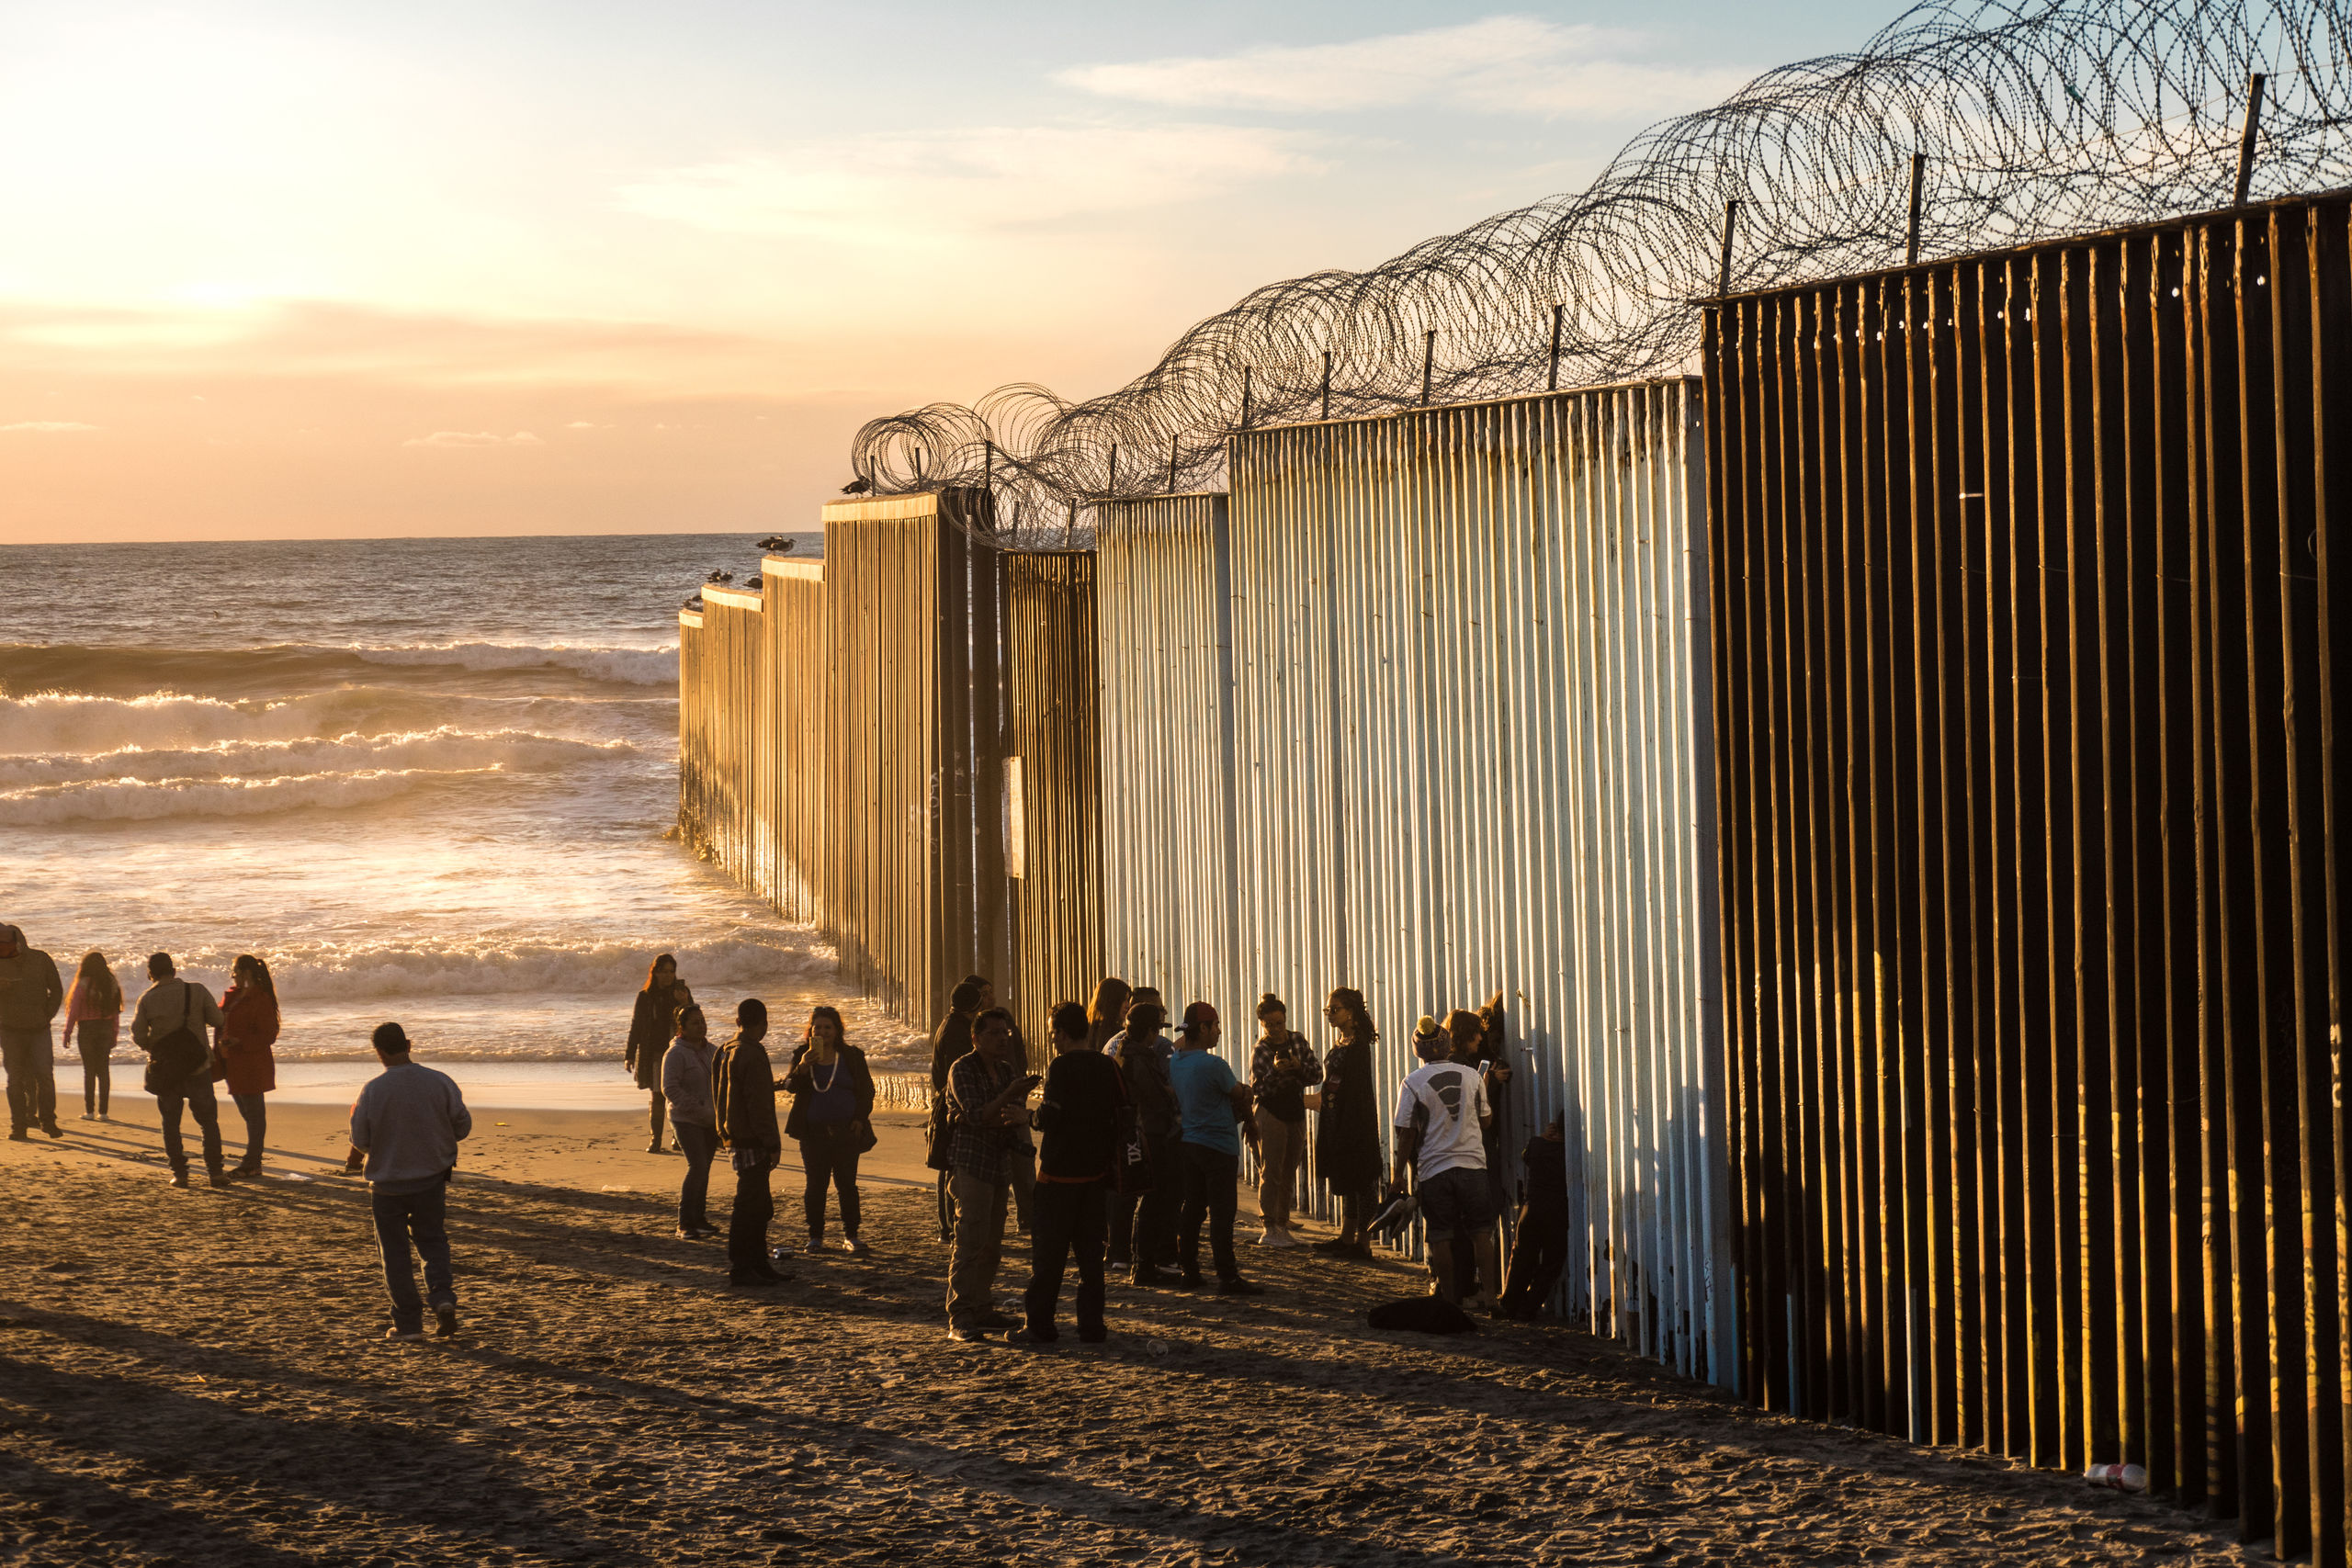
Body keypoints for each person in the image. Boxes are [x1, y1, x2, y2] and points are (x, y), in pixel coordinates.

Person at [344, 1022, 472, 1340]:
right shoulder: (439, 1081)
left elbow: (360, 1138)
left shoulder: (373, 1089)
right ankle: (442, 1298)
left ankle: (408, 1324)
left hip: (388, 1184)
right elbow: (462, 1126)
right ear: (409, 1045)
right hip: (431, 1177)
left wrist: (384, 1146)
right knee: (433, 1242)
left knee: (395, 1253)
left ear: (379, 1052)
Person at [1017, 1000, 1127, 1344]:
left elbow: (1050, 1116)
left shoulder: (1061, 1066)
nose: (1053, 1040)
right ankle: (1091, 1326)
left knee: (1048, 1259)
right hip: (1095, 1176)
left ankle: (1040, 1325)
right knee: (1091, 1259)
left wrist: (1028, 1117)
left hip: (1059, 1176)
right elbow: (1122, 1113)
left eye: (1053, 1033)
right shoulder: (1108, 1065)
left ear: (1062, 1034)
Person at [1389, 1016, 1499, 1311]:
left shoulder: (1412, 1083)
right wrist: (1485, 1087)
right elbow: (1487, 1121)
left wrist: (1398, 1174)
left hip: (1434, 1170)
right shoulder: (1473, 1076)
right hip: (1473, 1166)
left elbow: (1406, 1132)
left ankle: (1451, 1301)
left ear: (1418, 1051)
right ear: (1447, 1043)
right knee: (1481, 1234)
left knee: (1441, 1237)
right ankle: (1491, 1299)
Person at [944, 1006, 1037, 1340]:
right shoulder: (962, 1068)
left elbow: (1006, 1116)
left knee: (992, 1245)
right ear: (976, 1038)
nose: (1002, 1038)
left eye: (1005, 1032)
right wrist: (1009, 1097)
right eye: (994, 1033)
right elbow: (975, 1113)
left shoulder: (1005, 1068)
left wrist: (1013, 1108)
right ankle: (960, 1315)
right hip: (972, 1163)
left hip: (1000, 1163)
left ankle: (982, 1307)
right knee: (969, 1240)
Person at [1168, 1002, 1262, 1296]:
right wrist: (1247, 1094)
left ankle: (1189, 1270)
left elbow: (1179, 1044)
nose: (1219, 1031)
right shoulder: (1214, 1065)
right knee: (1222, 1214)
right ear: (1204, 1029)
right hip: (1219, 1147)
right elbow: (1240, 1093)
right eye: (1215, 1026)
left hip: (1191, 1143)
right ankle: (1228, 1276)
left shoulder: (1176, 1062)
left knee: (1193, 1210)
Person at [783, 1005, 876, 1255]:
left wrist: (859, 1118)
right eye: (818, 1028)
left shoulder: (851, 1056)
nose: (823, 1032)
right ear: (810, 1031)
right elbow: (790, 1086)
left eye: (828, 1028)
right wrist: (802, 1066)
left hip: (847, 1131)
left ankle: (851, 1235)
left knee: (847, 1184)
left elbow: (867, 1091)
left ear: (837, 1030)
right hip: (813, 1133)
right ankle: (815, 1237)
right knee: (816, 1185)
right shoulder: (803, 1054)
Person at [131, 953, 227, 1188]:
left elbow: (139, 1036)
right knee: (208, 1121)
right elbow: (217, 1019)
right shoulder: (196, 990)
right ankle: (215, 1173)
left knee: (171, 1122)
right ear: (173, 971)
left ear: (150, 974)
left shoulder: (147, 999)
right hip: (198, 1066)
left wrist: (156, 1045)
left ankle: (180, 1174)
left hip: (167, 1071)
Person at [712, 998, 786, 1287]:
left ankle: (756, 1262)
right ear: (764, 1024)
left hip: (733, 1135)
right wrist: (772, 1143)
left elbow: (718, 1096)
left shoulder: (724, 1050)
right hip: (752, 1138)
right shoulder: (753, 1053)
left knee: (756, 1202)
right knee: (751, 1205)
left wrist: (721, 1132)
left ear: (737, 1022)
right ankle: (744, 1265)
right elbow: (758, 1105)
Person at [1107, 996, 1179, 1283]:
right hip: (1150, 1137)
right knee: (1152, 1201)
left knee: (1144, 1201)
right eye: (1157, 1029)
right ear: (1149, 1031)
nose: (1158, 1035)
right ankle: (1144, 1266)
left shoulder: (1125, 1054)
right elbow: (1153, 1102)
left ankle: (1139, 1262)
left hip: (1138, 1137)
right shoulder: (1139, 1059)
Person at [1312, 987, 1384, 1258]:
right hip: (1335, 1118)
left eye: (1335, 1009)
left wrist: (1346, 1122)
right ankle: (1346, 1237)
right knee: (1347, 1180)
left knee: (1362, 1181)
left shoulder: (1358, 1046)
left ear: (1351, 1012)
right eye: (1327, 1010)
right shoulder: (1342, 1042)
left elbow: (1354, 1090)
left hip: (1354, 1122)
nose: (1330, 1014)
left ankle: (1363, 1243)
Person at [1249, 993, 1323, 1248]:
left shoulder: (1297, 1040)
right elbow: (1257, 1088)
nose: (1276, 1029)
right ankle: (1269, 1226)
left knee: (1289, 1168)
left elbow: (1316, 1074)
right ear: (1262, 1024)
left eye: (1279, 1023)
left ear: (1285, 1019)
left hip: (1294, 1110)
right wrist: (1276, 1072)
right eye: (1270, 1025)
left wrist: (1297, 1066)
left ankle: (1282, 1223)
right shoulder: (1261, 1049)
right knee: (1271, 1171)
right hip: (1270, 1112)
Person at [928, 975, 988, 1243]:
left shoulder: (949, 1025)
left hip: (946, 1102)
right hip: (952, 1105)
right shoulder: (956, 1031)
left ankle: (948, 1226)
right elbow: (957, 1072)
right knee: (951, 1166)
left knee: (948, 1165)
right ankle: (949, 1227)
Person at [1500, 1111, 1570, 1320]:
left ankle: (1509, 1303)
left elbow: (1526, 1157)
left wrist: (1543, 1137)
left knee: (1521, 1256)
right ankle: (1528, 1307)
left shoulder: (1537, 1144)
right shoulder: (1569, 1152)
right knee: (1551, 1262)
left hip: (1531, 1209)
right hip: (1556, 1211)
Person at [216, 954, 281, 1178]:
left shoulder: (260, 998)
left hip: (251, 1061)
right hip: (231, 1061)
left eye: (235, 970)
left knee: (254, 1114)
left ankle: (252, 1162)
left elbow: (269, 1034)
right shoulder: (232, 996)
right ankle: (253, 1158)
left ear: (246, 973)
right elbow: (218, 1020)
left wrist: (240, 1041)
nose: (232, 975)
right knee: (248, 1113)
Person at [0, 924, 64, 1141]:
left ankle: (48, 1122)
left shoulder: (41, 959)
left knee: (45, 1076)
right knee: (14, 1080)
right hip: (9, 1030)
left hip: (39, 1029)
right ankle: (19, 1126)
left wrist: (47, 1015)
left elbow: (56, 989)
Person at [662, 1002, 719, 1240]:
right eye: (695, 1023)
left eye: (702, 1021)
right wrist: (697, 1109)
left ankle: (699, 1218)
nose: (701, 1027)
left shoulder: (713, 1050)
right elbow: (669, 1089)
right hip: (685, 1119)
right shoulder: (675, 1053)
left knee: (704, 1168)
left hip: (711, 1119)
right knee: (697, 1166)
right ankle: (684, 1223)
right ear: (682, 1028)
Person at [627, 954, 693, 1155]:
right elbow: (636, 1027)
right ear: (654, 972)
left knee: (678, 1096)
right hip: (654, 1052)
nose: (668, 976)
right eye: (663, 971)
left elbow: (693, 1019)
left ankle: (677, 1137)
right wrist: (629, 1054)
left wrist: (684, 1003)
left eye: (671, 971)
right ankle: (655, 1139)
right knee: (657, 1096)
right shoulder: (645, 996)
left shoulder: (682, 992)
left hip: (679, 1051)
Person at [61, 951, 122, 1122]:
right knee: (103, 1071)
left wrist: (67, 1033)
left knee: (89, 1071)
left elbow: (74, 1012)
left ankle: (89, 1111)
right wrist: (115, 1033)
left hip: (87, 1029)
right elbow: (116, 1013)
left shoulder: (82, 984)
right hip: (105, 1028)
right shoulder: (111, 983)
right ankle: (103, 1112)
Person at [1084, 976, 1132, 1053]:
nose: (1128, 1005)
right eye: (1124, 1000)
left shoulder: (1087, 1031)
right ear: (1111, 1002)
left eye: (1128, 1000)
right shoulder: (1121, 1036)